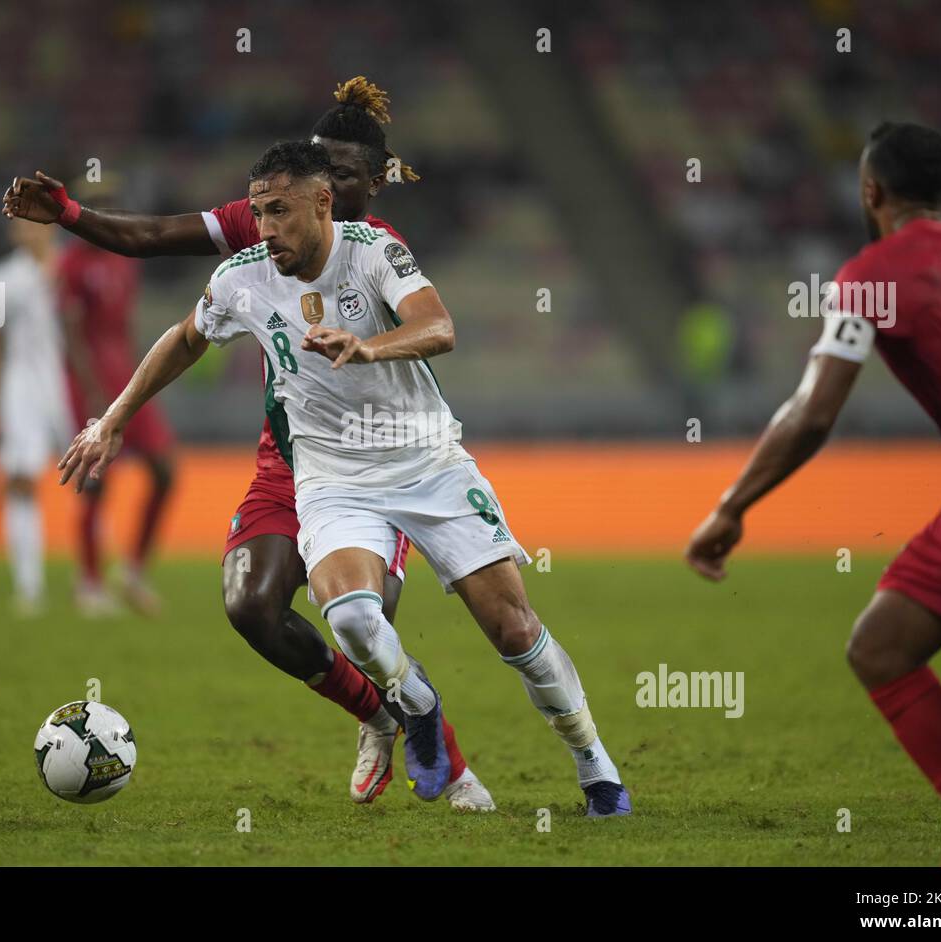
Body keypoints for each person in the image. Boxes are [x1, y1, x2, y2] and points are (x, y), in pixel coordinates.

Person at [58, 141, 631, 815]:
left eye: (280, 212)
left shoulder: (373, 251)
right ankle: (415, 706)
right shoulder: (244, 276)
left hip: (427, 461)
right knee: (354, 618)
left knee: (512, 628)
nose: (266, 228)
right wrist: (113, 418)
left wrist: (366, 347)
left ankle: (595, 765)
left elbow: (438, 326)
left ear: (322, 203)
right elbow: (185, 337)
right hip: (333, 477)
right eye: (259, 213)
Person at [3, 79, 492, 810]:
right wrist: (72, 215)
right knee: (250, 605)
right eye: (311, 171)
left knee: (362, 610)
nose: (318, 185)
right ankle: (379, 711)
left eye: (339, 175)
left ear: (362, 188)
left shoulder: (383, 252)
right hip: (290, 460)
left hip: (382, 462)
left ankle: (430, 734)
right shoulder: (273, 219)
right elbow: (154, 247)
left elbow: (441, 329)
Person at [686, 122, 941, 866]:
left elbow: (813, 412)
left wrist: (731, 506)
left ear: (870, 191)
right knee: (881, 647)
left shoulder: (871, 274)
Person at [57, 175, 176, 617]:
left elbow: (122, 327)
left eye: (111, 203)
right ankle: (89, 582)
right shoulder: (70, 265)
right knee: (96, 482)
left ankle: (131, 571)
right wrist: (89, 390)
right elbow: (70, 332)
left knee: (165, 471)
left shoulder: (125, 260)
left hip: (127, 379)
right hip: (89, 382)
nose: (106, 210)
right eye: (97, 204)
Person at [0, 218, 74, 615]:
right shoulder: (0, 278)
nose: (27, 231)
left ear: (50, 226)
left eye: (34, 223)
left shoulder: (71, 268)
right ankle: (29, 586)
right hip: (21, 388)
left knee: (93, 477)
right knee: (19, 479)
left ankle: (93, 578)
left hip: (69, 383)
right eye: (20, 224)